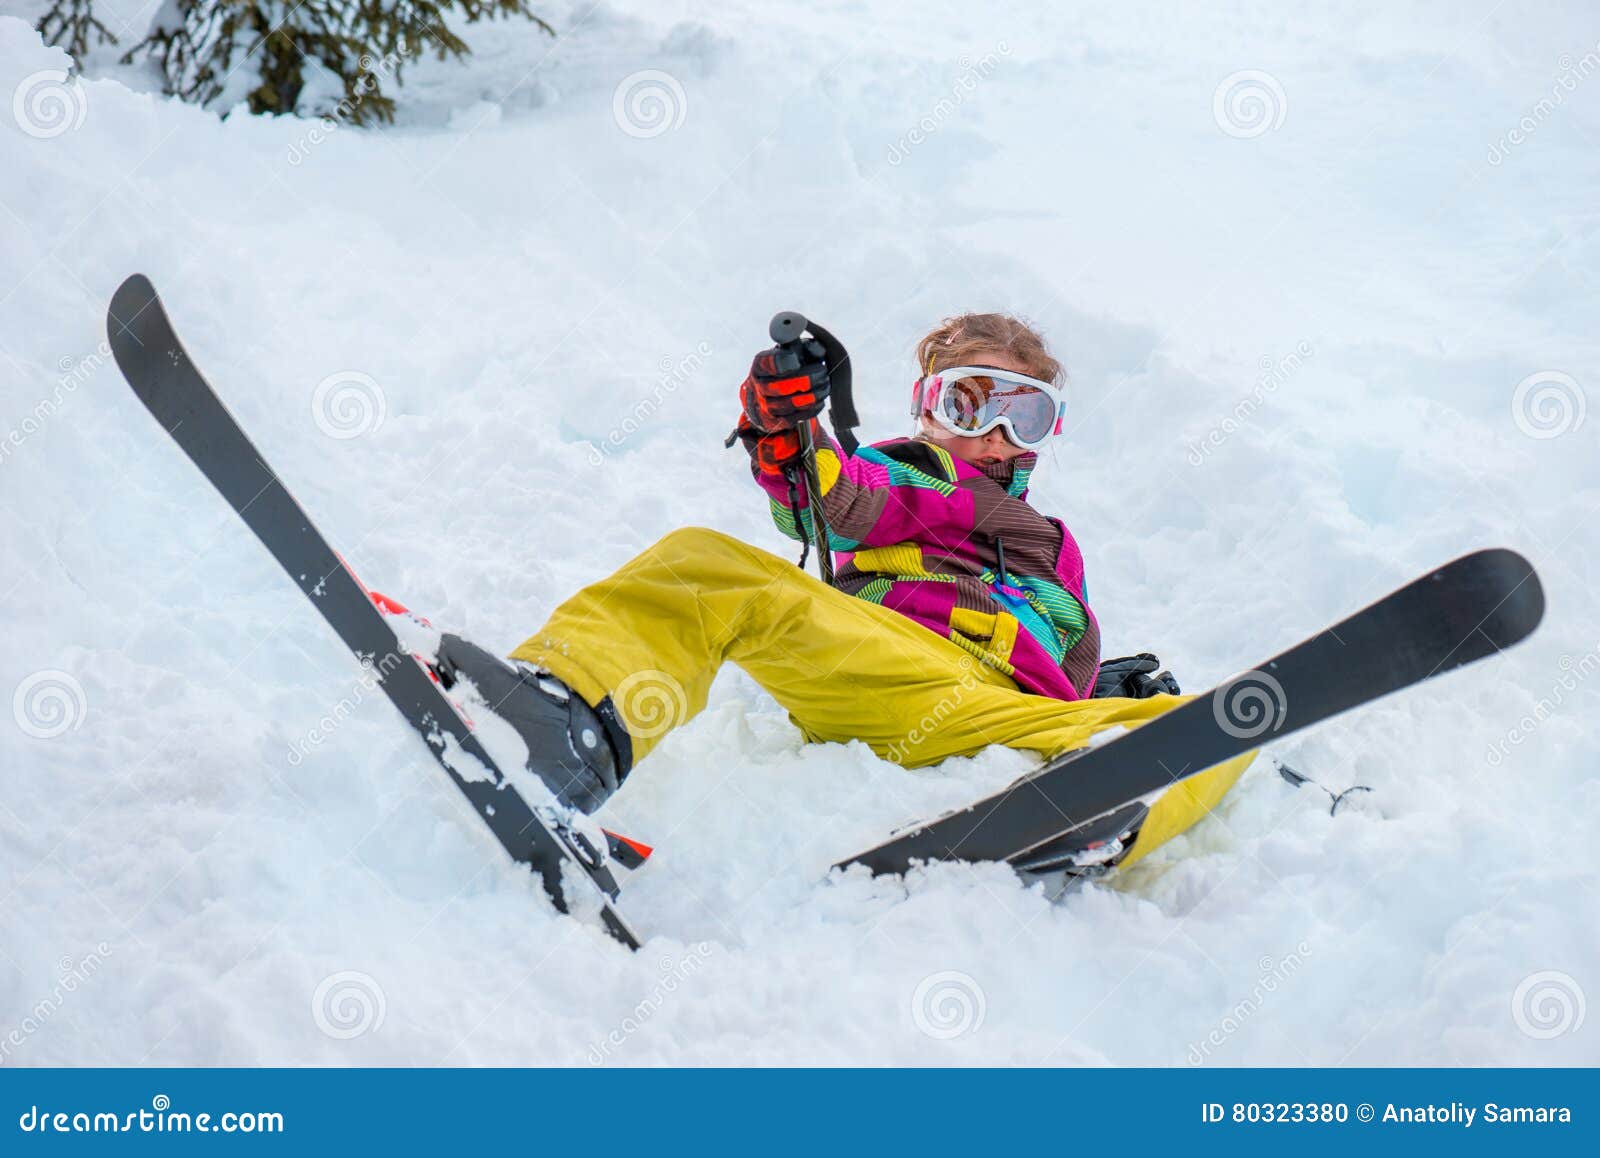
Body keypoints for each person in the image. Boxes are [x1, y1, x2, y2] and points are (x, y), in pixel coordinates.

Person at [432, 313, 1253, 872]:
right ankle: (566, 724)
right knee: (705, 564)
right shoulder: (910, 473)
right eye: (971, 399)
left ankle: (1096, 808)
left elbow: (1068, 672)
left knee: (1231, 719)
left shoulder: (1055, 549)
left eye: (1024, 413)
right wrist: (788, 428)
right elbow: (833, 497)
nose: (995, 430)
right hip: (886, 670)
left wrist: (1108, 697)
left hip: (1002, 715)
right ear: (929, 408)